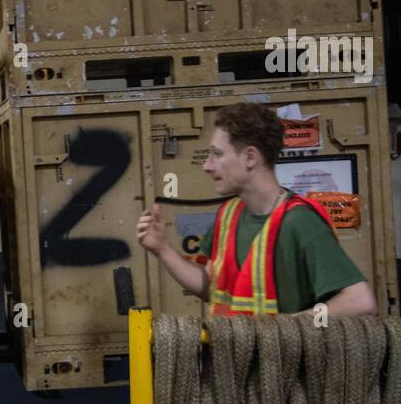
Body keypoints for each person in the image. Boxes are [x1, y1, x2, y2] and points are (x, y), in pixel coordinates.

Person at [136, 101, 378, 318]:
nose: (207, 166)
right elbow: (211, 287)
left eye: (217, 154)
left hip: (283, 367)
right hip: (235, 365)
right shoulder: (228, 215)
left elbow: (360, 301)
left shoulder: (299, 222)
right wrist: (161, 249)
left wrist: (293, 327)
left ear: (250, 157)